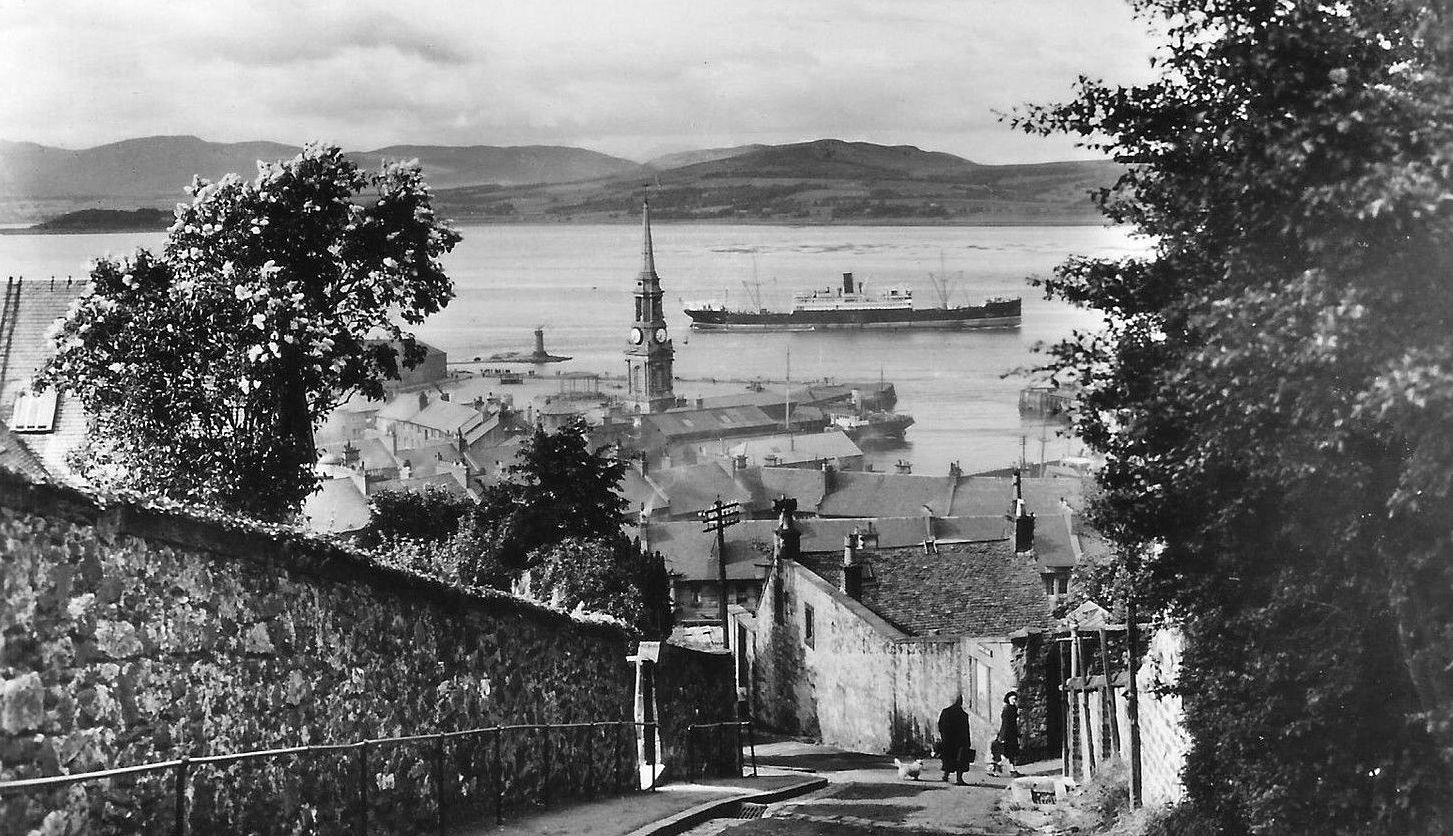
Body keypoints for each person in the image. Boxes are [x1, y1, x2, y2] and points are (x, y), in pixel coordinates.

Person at [937, 695, 971, 785]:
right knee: (960, 760)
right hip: (960, 741)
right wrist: (968, 742)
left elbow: (940, 725)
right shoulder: (963, 715)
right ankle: (959, 778)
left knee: (948, 758)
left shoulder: (945, 712)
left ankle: (945, 775)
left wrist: (943, 735)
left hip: (948, 740)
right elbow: (966, 730)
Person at [997, 690, 1021, 777]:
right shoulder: (1007, 709)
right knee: (1008, 753)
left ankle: (1012, 770)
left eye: (1015, 699)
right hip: (1007, 734)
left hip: (1012, 734)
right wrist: (1003, 736)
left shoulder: (1014, 708)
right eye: (1013, 699)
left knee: (1012, 753)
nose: (1014, 701)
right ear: (1008, 699)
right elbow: (1005, 724)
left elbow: (1014, 722)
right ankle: (998, 766)